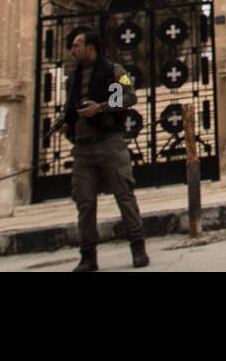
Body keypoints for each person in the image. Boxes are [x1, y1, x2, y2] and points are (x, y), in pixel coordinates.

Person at [52, 30, 149, 271]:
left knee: (124, 196)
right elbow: (71, 110)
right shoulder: (72, 79)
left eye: (76, 45)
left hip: (109, 143)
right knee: (84, 203)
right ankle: (88, 257)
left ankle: (138, 247)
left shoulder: (113, 72)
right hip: (83, 149)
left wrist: (101, 108)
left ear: (90, 48)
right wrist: (65, 122)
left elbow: (128, 97)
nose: (72, 50)